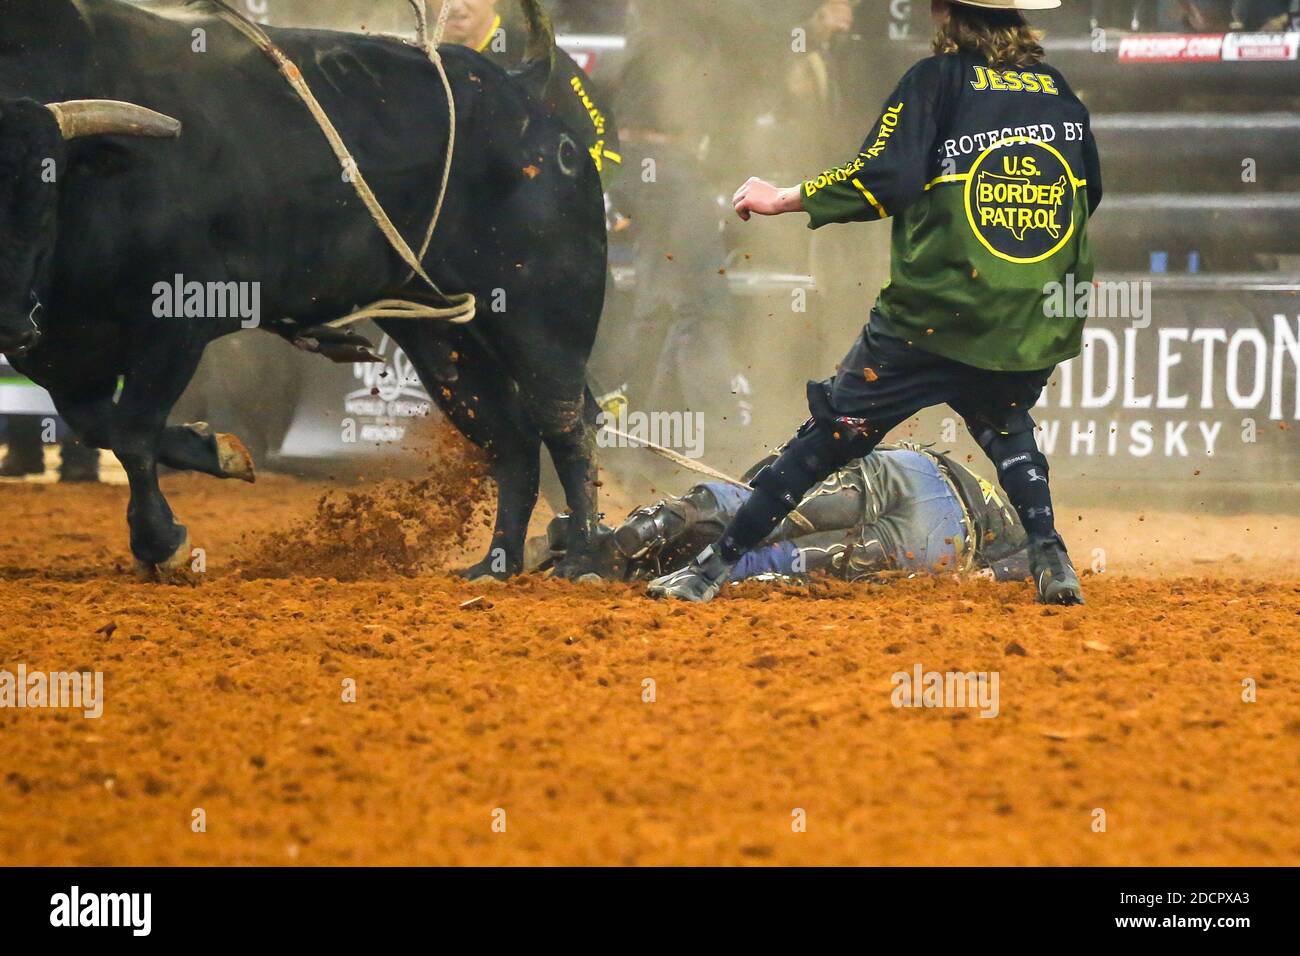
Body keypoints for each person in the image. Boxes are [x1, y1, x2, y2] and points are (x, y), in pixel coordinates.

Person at [647, 0, 1102, 605]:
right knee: (1006, 423)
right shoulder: (1058, 92)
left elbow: (886, 177)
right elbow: (1087, 192)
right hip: (1028, 311)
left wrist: (786, 197)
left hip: (936, 313)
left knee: (832, 433)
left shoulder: (935, 81)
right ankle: (1052, 559)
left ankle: (712, 567)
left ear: (943, 13)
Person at [539, 445, 1032, 586]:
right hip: (944, 539)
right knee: (777, 563)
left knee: (755, 511)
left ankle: (649, 529)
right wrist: (992, 574)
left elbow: (773, 478)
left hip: (906, 471)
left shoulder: (980, 478)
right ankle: (664, 572)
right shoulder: (1017, 518)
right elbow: (1044, 558)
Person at [438, 0, 623, 188]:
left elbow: (604, 139)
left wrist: (575, 198)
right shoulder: (421, 59)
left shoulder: (531, 53)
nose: (454, 5)